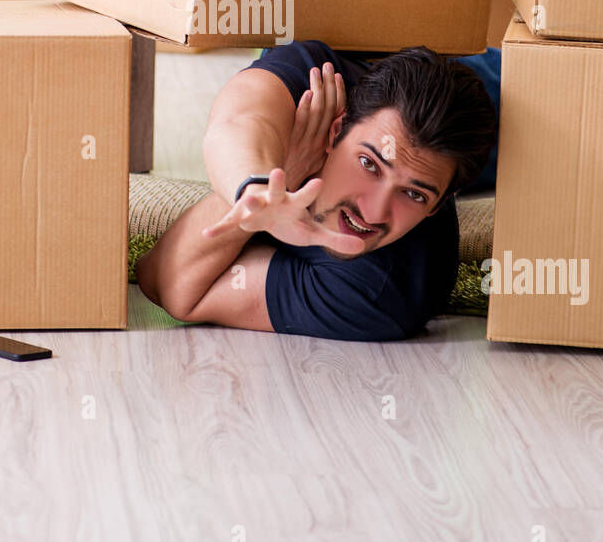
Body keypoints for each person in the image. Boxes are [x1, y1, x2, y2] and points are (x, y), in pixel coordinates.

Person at [136, 40, 500, 341]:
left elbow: (173, 288)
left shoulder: (381, 292)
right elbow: (240, 120)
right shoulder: (316, 85)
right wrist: (260, 186)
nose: (372, 213)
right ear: (336, 128)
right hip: (386, 57)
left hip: (490, 88)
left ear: (438, 205)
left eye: (415, 195)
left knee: (527, 93)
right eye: (369, 164)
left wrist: (282, 182)